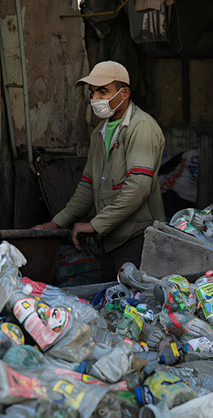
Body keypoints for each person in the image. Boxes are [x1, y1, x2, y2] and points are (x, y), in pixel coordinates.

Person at [32, 61, 166, 281]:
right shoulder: (99, 133)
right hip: (110, 239)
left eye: (103, 91)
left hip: (138, 238)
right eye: (92, 92)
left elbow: (138, 188)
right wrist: (57, 223)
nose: (95, 99)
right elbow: (87, 186)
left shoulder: (141, 127)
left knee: (135, 297)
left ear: (124, 93)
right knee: (110, 297)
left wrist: (95, 225)